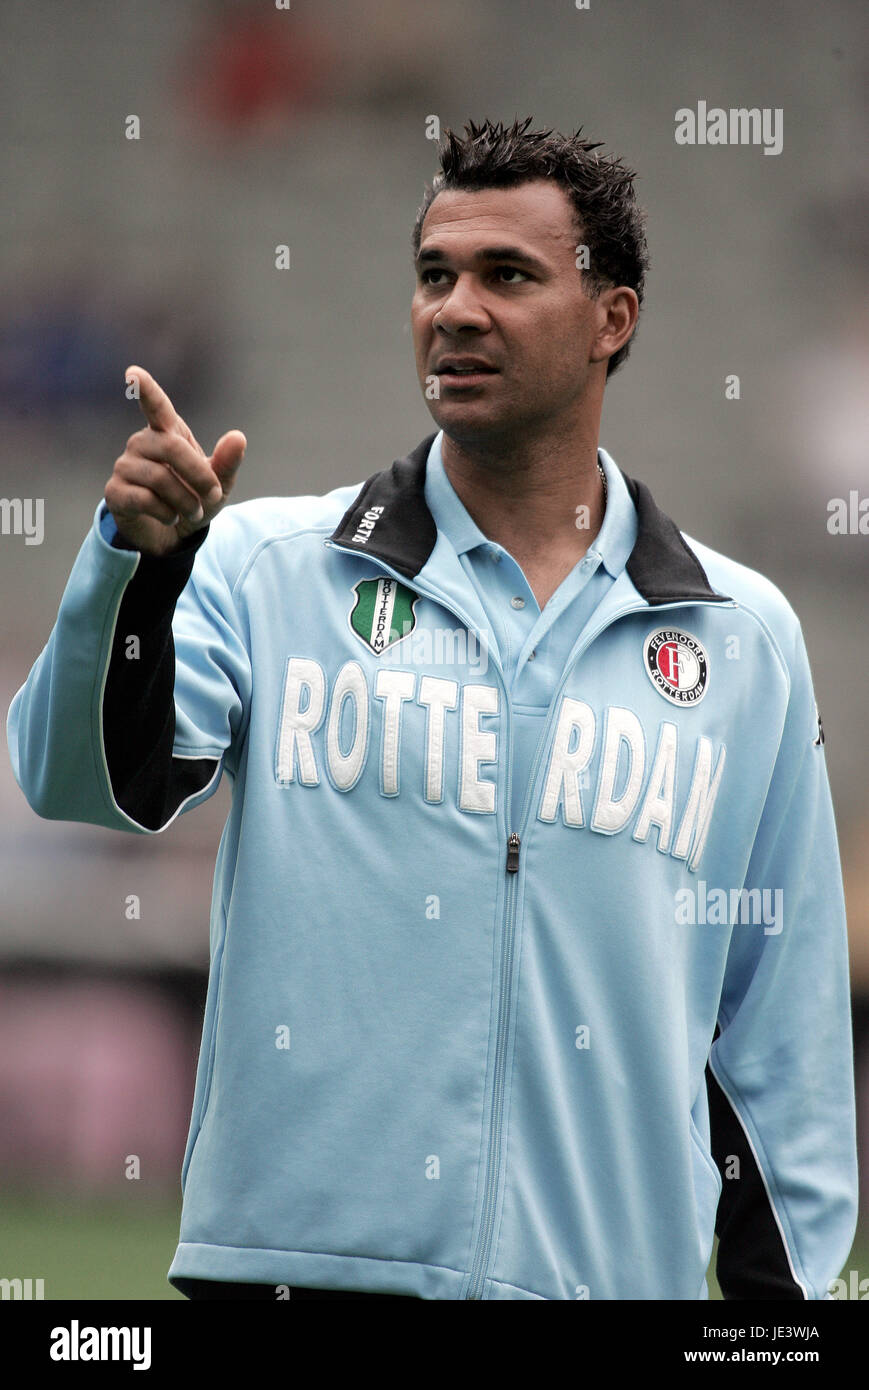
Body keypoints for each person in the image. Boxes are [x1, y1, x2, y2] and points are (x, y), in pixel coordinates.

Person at [6, 117, 858, 1301]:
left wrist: (776, 1319)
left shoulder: (742, 638)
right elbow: (84, 780)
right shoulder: (263, 565)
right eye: (433, 275)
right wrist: (130, 569)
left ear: (612, 318)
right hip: (288, 1280)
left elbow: (779, 1037)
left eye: (506, 275)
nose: (454, 308)